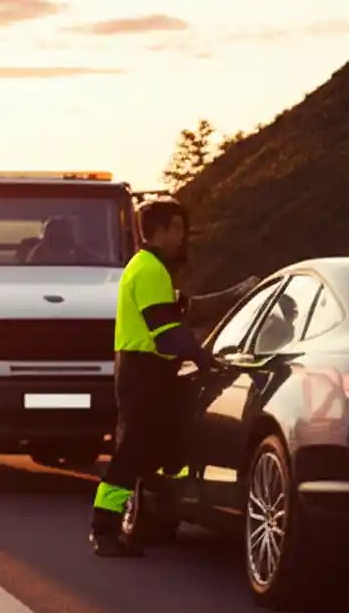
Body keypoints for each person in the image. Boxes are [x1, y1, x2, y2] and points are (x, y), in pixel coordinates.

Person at [90, 197, 260, 557]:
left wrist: (237, 295)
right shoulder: (150, 271)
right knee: (132, 452)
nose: (183, 236)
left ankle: (140, 519)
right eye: (178, 228)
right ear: (161, 231)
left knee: (149, 448)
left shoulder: (148, 268)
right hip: (143, 372)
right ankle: (104, 528)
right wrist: (204, 359)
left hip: (146, 371)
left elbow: (188, 307)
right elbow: (167, 332)